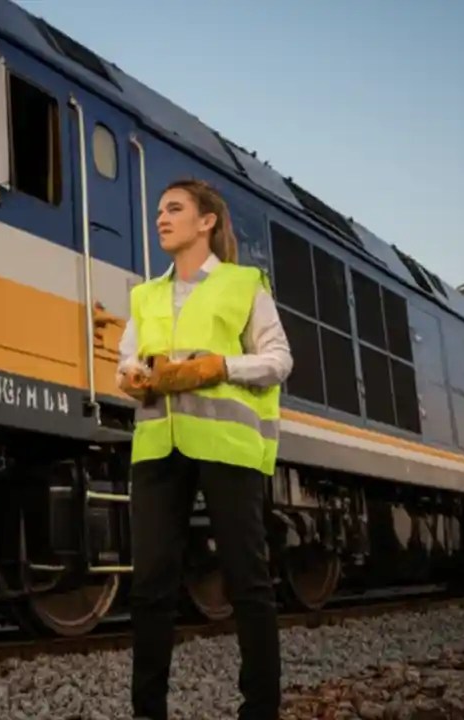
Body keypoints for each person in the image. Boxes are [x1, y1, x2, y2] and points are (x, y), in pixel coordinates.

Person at [117, 178, 294, 720]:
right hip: (158, 446)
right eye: (158, 211)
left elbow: (279, 359)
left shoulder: (243, 284)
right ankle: (148, 713)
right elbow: (127, 359)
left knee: (247, 579)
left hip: (225, 444)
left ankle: (259, 711)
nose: (161, 218)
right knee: (150, 585)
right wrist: (134, 377)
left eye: (174, 209)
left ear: (206, 222)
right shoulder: (144, 296)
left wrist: (220, 365)